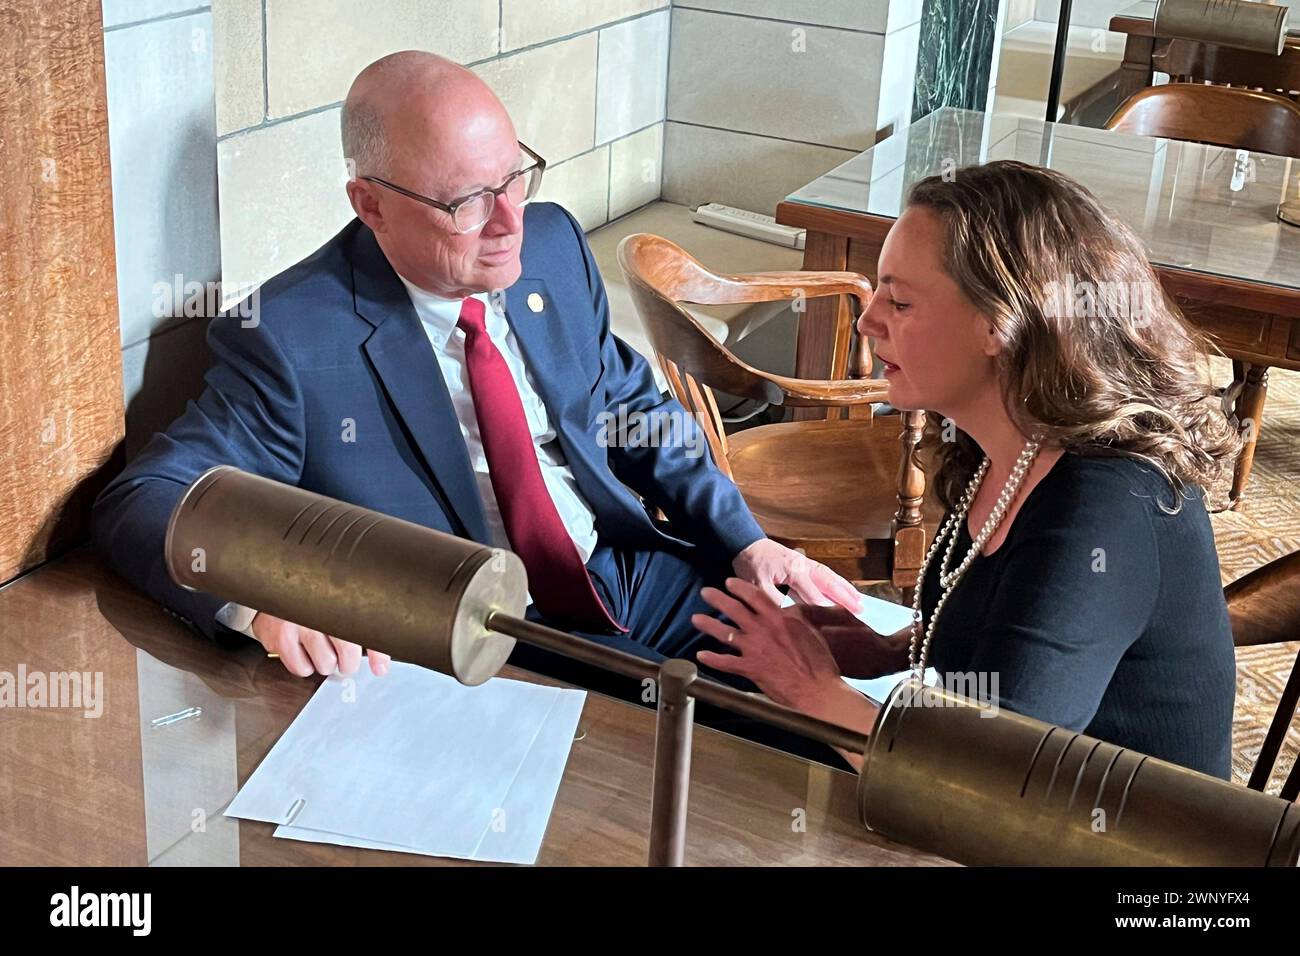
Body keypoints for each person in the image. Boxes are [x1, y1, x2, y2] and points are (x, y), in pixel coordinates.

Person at [92, 51, 858, 696]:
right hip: (495, 637)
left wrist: (745, 540)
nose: (508, 220)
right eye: (467, 200)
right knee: (734, 755)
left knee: (831, 684)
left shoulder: (551, 246)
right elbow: (144, 498)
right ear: (371, 205)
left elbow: (630, 405)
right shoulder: (290, 337)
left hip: (628, 567)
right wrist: (257, 602)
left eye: (514, 175)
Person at [692, 160, 1241, 779]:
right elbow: (1011, 626)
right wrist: (889, 649)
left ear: (1001, 325)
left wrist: (813, 691)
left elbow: (985, 782)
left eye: (899, 300)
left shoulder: (1102, 511)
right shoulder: (1002, 441)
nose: (870, 321)